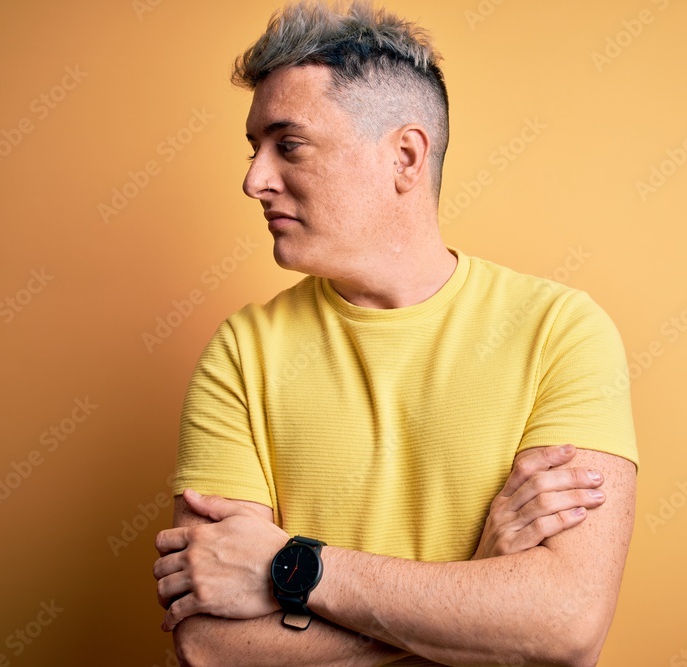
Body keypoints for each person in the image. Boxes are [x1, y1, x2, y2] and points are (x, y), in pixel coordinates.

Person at [152, 2, 639, 665]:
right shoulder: (242, 353)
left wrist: (296, 569)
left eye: (287, 144)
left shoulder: (562, 332)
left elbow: (566, 622)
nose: (254, 179)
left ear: (405, 156)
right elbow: (212, 645)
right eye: (254, 149)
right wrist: (476, 590)